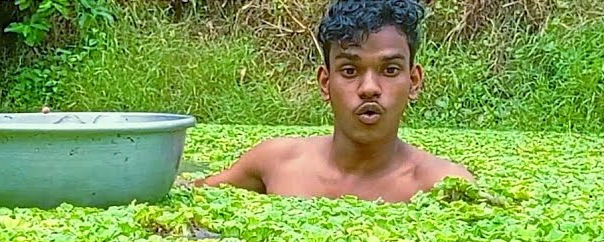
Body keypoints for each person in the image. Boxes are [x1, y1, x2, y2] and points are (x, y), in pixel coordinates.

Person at [194, 0, 473, 203]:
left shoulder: (445, 188)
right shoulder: (274, 164)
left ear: (413, 81)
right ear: (325, 83)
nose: (369, 88)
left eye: (389, 70)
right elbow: (188, 199)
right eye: (350, 71)